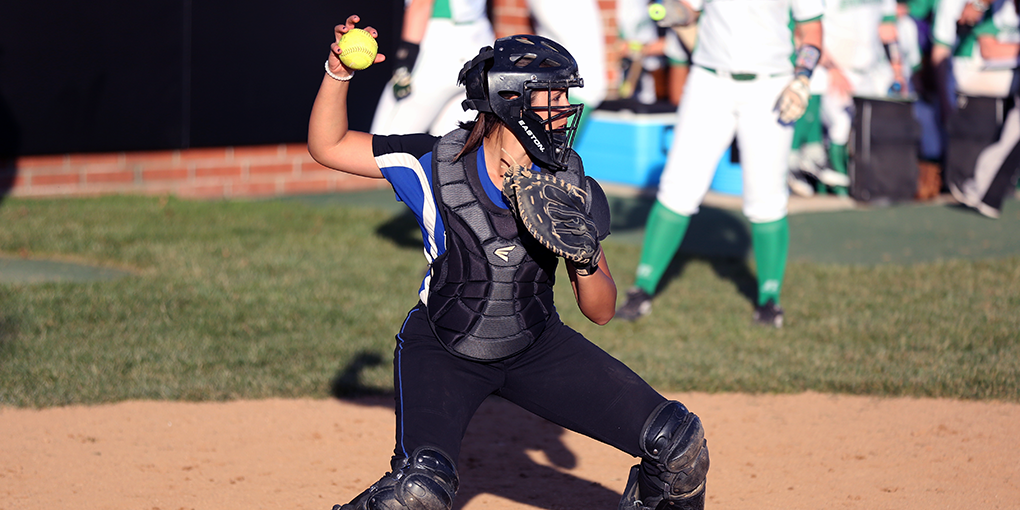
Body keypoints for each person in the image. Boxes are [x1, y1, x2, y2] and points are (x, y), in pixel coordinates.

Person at [309, 15, 710, 510]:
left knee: (678, 446)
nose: (566, 109)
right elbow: (327, 146)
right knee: (418, 493)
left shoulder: (570, 183)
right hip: (442, 348)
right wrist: (338, 73)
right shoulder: (434, 164)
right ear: (511, 99)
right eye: (554, 96)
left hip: (537, 347)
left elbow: (601, 310)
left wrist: (583, 256)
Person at [616, 0, 824, 327]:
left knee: (766, 196)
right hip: (709, 82)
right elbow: (688, 10)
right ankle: (642, 287)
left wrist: (803, 79)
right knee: (677, 187)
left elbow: (812, 31)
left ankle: (770, 299)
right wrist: (671, 12)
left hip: (772, 85)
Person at [934, 0, 1020, 218]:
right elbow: (986, 45)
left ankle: (984, 190)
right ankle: (984, 190)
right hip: (973, 73)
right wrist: (980, 5)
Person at [370, 0, 493, 136]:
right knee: (448, 148)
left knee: (382, 144)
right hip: (479, 42)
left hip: (437, 46)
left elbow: (421, 4)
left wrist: (406, 57)